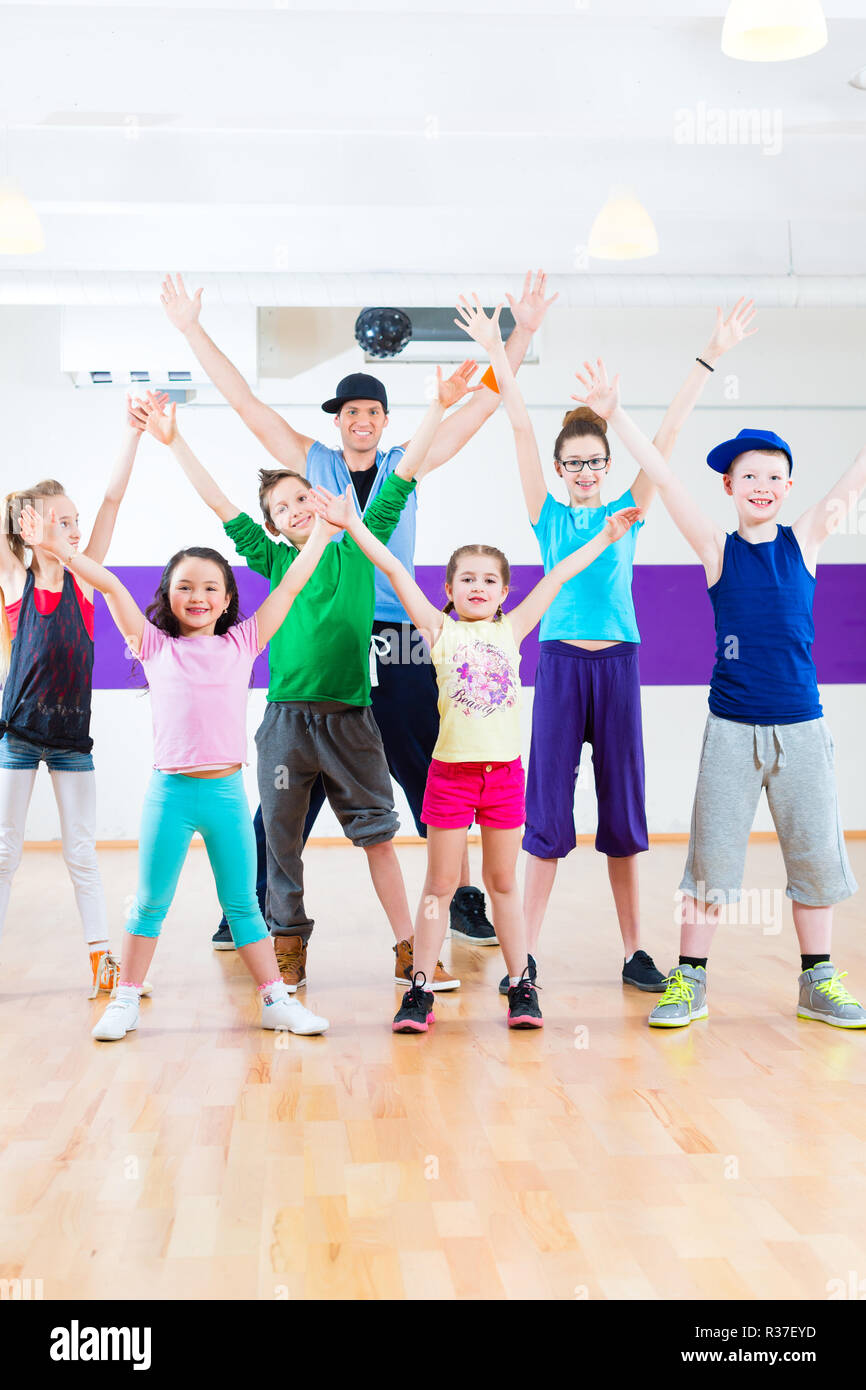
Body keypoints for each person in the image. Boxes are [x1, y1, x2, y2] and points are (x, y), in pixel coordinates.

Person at [159, 270, 558, 948]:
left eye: (372, 412)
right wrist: (192, 328)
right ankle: (248, 904)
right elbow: (245, 402)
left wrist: (521, 332)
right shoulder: (309, 462)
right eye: (351, 413)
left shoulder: (407, 462)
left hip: (399, 636)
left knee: (430, 763)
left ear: (383, 421)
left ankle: (460, 897)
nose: (362, 421)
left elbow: (481, 408)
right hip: (329, 641)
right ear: (338, 421)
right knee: (295, 778)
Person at [311, 300, 643, 1034]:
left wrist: (611, 531)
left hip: (504, 776)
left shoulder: (519, 628)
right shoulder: (436, 631)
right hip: (451, 776)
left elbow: (563, 572)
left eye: (490, 581)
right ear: (452, 593)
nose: (478, 589)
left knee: (502, 886)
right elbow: (393, 566)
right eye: (466, 581)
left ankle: (523, 983)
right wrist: (353, 524)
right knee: (439, 886)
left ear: (502, 593)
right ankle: (420, 986)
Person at [135, 366, 481, 993]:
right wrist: (172, 441)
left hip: (351, 718)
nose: (296, 509)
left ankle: (410, 950)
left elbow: (402, 477)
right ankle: (287, 946)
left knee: (378, 837)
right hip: (287, 722)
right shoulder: (271, 558)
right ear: (271, 525)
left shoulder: (362, 541)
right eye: (282, 507)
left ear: (324, 495)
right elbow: (218, 503)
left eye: (302, 496)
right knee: (283, 842)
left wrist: (437, 407)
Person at [462, 296, 757, 995]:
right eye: (577, 464)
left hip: (619, 668)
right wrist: (498, 349)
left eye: (596, 461)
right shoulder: (546, 514)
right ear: (562, 470)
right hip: (561, 667)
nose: (588, 472)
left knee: (624, 816)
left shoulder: (629, 509)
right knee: (546, 823)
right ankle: (522, 957)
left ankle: (634, 951)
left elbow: (670, 431)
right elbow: (519, 422)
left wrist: (709, 354)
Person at [568, 360, 865, 1030]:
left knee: (816, 856)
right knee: (711, 861)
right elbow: (665, 478)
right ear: (729, 487)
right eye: (748, 476)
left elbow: (854, 482)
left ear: (789, 488)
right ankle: (690, 981)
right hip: (732, 730)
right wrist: (615, 414)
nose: (761, 484)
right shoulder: (716, 547)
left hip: (802, 730)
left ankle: (817, 979)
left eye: (773, 475)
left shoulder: (807, 541)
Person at [19, 472, 334, 1042]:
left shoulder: (243, 641)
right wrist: (58, 552)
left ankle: (274, 1000)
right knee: (148, 905)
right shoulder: (153, 645)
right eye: (186, 587)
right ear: (168, 596)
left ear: (228, 599)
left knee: (243, 905)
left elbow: (289, 587)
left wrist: (321, 535)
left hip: (226, 795)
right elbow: (112, 586)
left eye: (211, 588)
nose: (198, 597)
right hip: (170, 795)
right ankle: (125, 999)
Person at [0, 397, 165, 998]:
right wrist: (20, 518)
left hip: (71, 738)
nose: (73, 529)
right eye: (59, 521)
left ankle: (103, 961)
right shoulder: (15, 579)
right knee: (5, 852)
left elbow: (113, 500)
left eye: (74, 520)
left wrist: (133, 434)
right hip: (17, 735)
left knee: (81, 853)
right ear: (28, 528)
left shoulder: (87, 577)